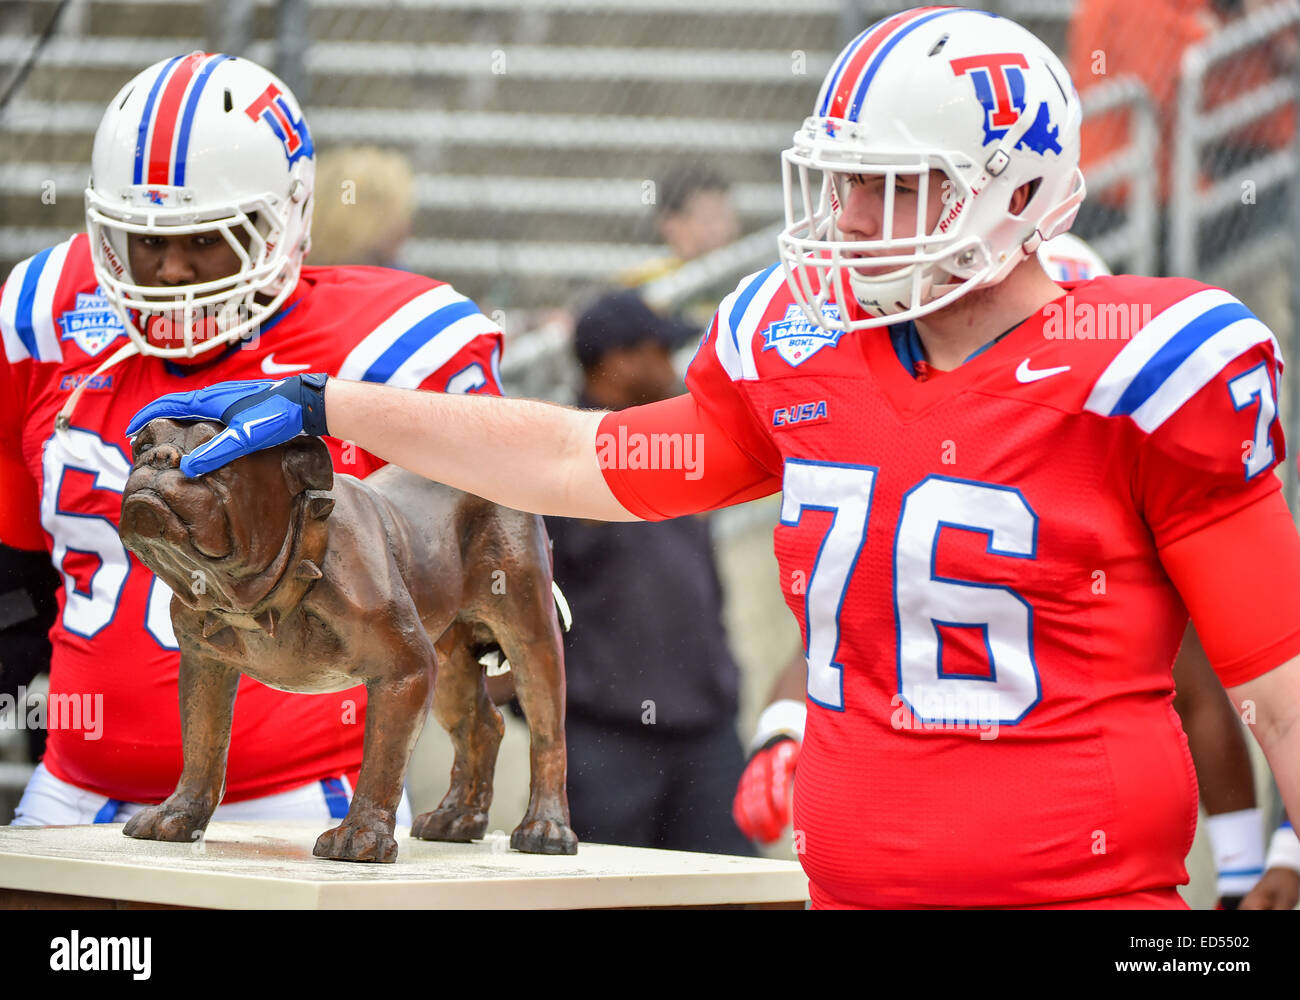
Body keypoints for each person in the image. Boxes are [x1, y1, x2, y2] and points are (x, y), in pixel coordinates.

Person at [131, 9, 1300, 909]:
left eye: (885, 187)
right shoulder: (803, 354)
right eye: (837, 178)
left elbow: (1278, 693)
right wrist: (329, 398)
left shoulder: (1142, 366)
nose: (842, 214)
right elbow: (582, 458)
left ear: (1015, 191)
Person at [0, 52, 505, 828]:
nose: (170, 271)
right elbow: (16, 565)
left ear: (284, 218)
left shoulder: (383, 347)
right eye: (146, 240)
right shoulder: (46, 316)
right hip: (73, 786)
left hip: (299, 798)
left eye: (206, 238)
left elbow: (481, 534)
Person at [733, 233, 1300, 910]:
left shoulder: (1127, 436)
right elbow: (842, 642)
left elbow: (1221, 693)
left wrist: (1246, 870)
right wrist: (782, 725)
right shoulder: (901, 431)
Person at [545, 289, 753, 855]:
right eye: (661, 350)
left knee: (732, 894)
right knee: (611, 896)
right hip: (606, 740)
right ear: (620, 360)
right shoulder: (562, 458)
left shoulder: (677, 446)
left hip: (706, 737)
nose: (672, 365)